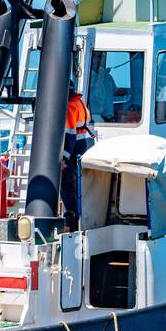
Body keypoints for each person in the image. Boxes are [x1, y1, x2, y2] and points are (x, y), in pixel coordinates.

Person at [60, 84, 97, 232]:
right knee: (77, 188)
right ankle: (79, 220)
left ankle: (72, 221)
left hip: (74, 151)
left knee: (66, 187)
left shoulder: (69, 107)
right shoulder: (79, 102)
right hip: (84, 149)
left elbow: (70, 136)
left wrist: (64, 159)